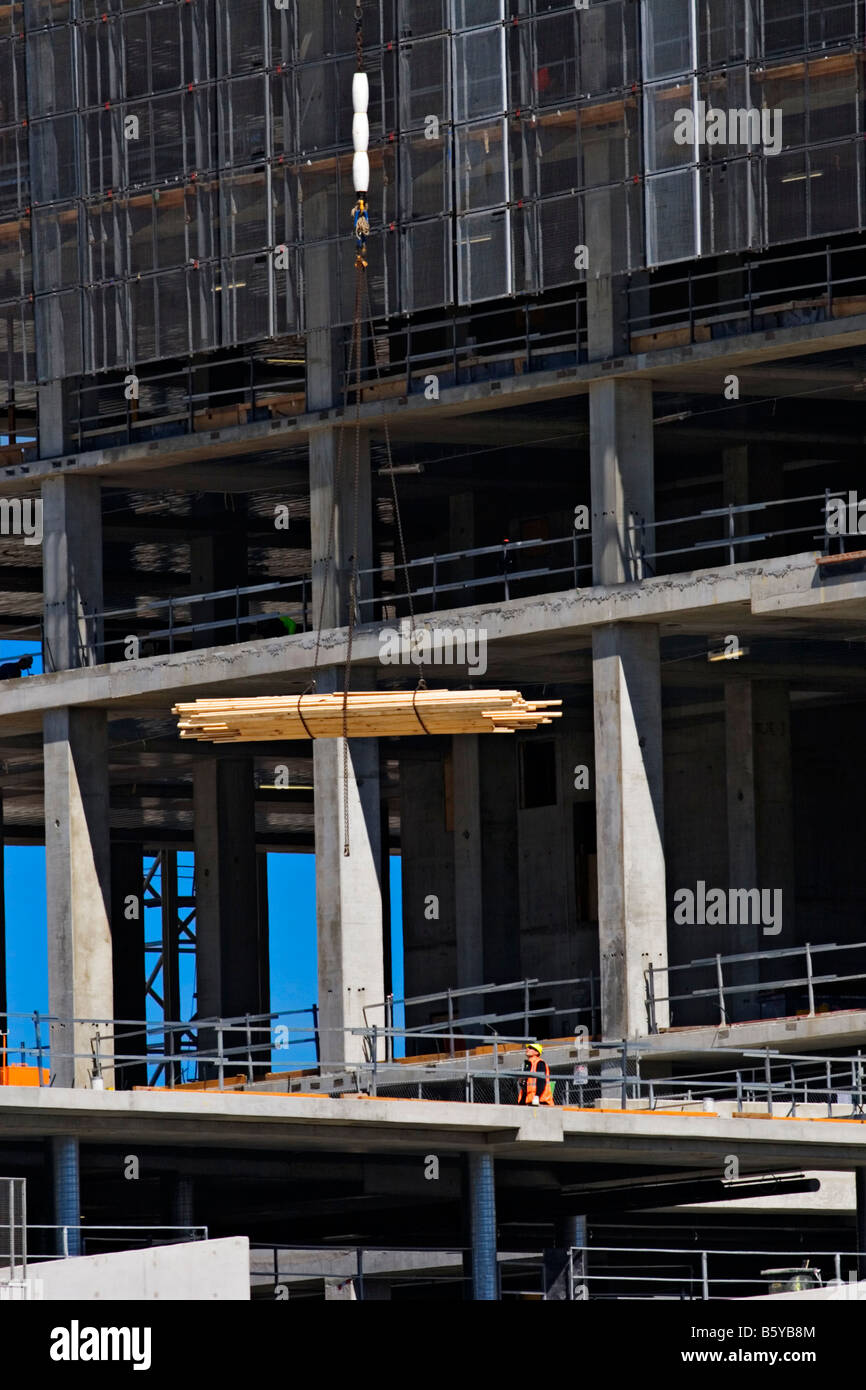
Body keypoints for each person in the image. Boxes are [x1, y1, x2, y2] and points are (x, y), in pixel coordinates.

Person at [517, 1041, 554, 1106]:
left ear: (536, 1052)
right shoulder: (528, 1065)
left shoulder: (540, 1063)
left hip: (541, 1101)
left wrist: (537, 1096)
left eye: (530, 1047)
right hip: (530, 1101)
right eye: (527, 1047)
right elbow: (527, 1086)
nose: (527, 1049)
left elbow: (541, 1082)